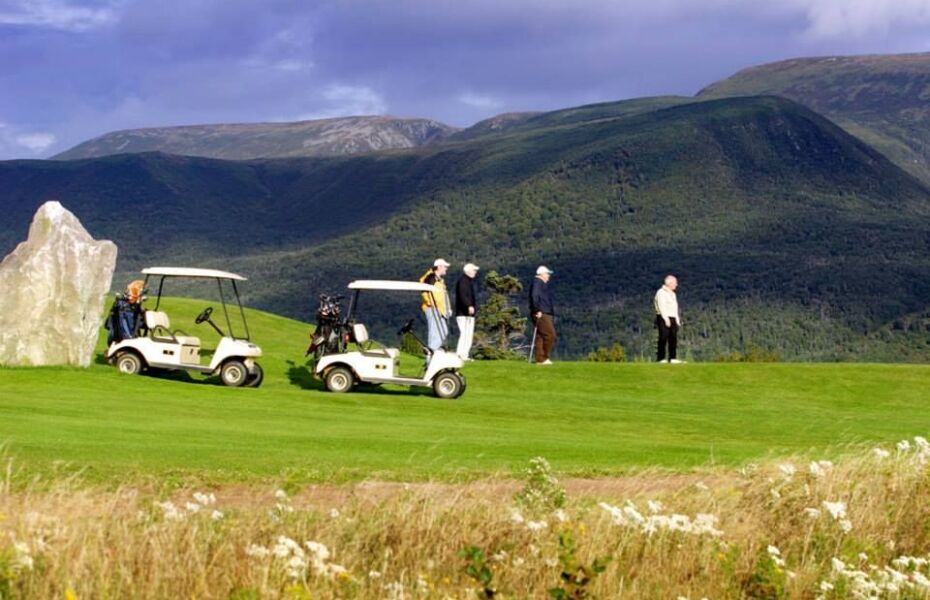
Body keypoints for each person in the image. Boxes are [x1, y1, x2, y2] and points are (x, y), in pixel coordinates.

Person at [419, 258, 452, 352]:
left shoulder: (439, 280)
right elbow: (424, 291)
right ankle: (430, 352)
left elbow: (443, 296)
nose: (446, 269)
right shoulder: (430, 277)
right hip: (433, 309)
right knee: (435, 333)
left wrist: (448, 309)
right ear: (439, 267)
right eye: (445, 267)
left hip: (440, 310)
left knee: (443, 332)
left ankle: (432, 351)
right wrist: (431, 303)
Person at [528, 266, 556, 365]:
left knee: (541, 336)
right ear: (542, 274)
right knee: (550, 335)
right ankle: (544, 357)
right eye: (547, 274)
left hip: (544, 312)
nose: (548, 276)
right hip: (541, 313)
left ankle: (540, 359)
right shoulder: (538, 283)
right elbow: (534, 297)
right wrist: (537, 310)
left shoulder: (540, 284)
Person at [654, 275, 684, 363]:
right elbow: (661, 306)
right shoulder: (661, 293)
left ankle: (672, 358)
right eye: (675, 283)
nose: (676, 285)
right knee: (663, 337)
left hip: (673, 317)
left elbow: (675, 308)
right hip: (663, 317)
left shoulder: (673, 294)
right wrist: (665, 318)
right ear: (669, 283)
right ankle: (661, 358)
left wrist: (677, 320)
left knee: (673, 338)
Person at [454, 263, 480, 360]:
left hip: (468, 314)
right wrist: (468, 305)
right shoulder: (463, 282)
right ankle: (460, 354)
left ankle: (465, 354)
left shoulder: (468, 282)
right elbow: (463, 296)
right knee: (465, 334)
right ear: (468, 271)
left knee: (468, 334)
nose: (475, 272)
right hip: (463, 313)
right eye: (474, 270)